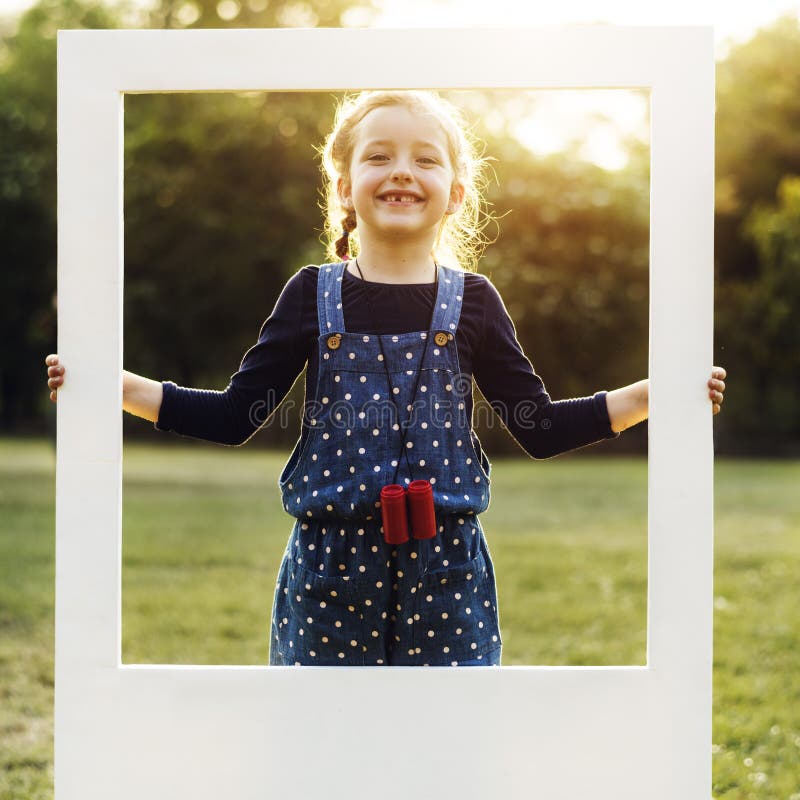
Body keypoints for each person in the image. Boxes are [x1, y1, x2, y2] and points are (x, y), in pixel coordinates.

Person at [45, 90, 727, 667]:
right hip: (329, 580)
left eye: (425, 158)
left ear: (456, 193)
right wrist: (111, 384)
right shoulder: (310, 295)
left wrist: (657, 395)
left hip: (447, 580)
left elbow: (539, 427)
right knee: (327, 759)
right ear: (344, 187)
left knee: (443, 760)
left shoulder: (477, 302)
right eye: (378, 155)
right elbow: (235, 415)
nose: (401, 170)